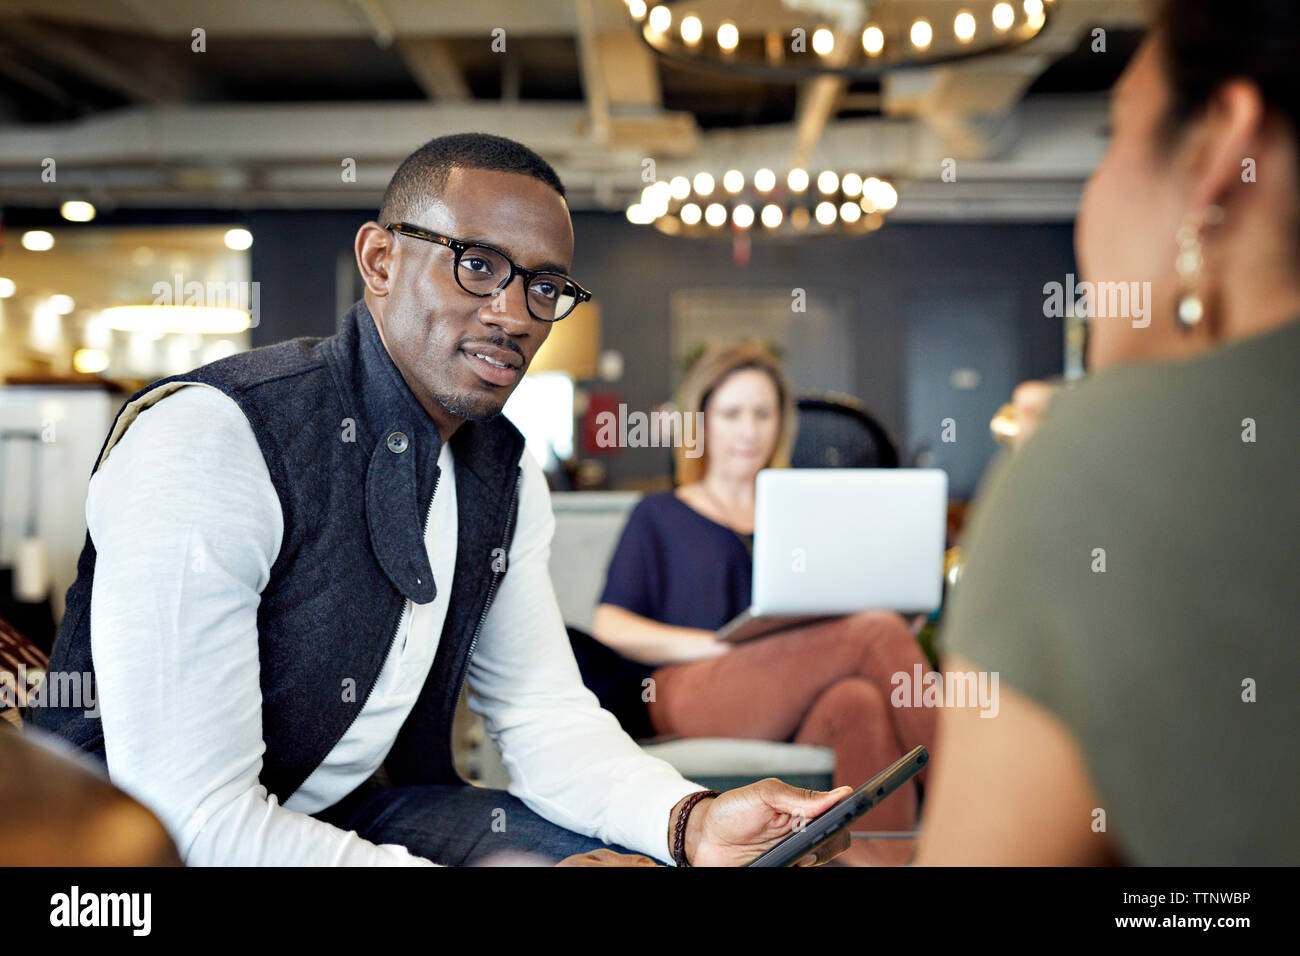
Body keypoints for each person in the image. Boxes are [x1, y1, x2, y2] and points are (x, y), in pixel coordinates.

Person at [30, 134, 856, 867]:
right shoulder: (214, 436)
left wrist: (689, 822)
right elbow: (194, 824)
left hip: (362, 807)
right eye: (477, 264)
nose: (513, 314)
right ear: (381, 261)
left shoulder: (503, 474)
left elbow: (543, 717)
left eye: (545, 287)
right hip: (116, 849)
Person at [915, 0, 1299, 865]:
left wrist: (1097, 458)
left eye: (1113, 136)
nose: (1098, 193)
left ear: (1221, 151)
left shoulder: (1097, 469)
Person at [584, 341, 937, 865]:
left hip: (796, 688)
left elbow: (830, 615)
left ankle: (878, 863)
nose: (749, 431)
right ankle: (986, 799)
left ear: (781, 423)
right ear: (701, 422)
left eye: (762, 414)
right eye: (731, 414)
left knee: (858, 701)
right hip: (689, 686)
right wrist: (714, 648)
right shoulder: (658, 514)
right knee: (878, 632)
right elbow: (608, 624)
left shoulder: (802, 513)